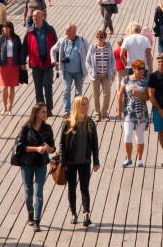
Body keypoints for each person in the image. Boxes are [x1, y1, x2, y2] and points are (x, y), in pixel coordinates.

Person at [59, 95, 100, 227]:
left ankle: (86, 213)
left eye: (87, 104)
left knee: (84, 188)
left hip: (85, 161)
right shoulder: (68, 123)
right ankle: (73, 213)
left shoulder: (90, 123)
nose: (85, 106)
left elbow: (94, 144)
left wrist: (96, 161)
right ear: (77, 106)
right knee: (72, 188)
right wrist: (63, 161)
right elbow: (61, 145)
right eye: (83, 104)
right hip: (70, 162)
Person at [17, 103, 56, 233]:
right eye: (43, 112)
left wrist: (49, 149)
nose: (46, 114)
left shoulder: (47, 128)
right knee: (28, 192)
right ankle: (30, 212)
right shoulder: (26, 128)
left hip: (41, 164)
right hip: (27, 163)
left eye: (46, 111)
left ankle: (36, 220)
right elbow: (20, 147)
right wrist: (36, 148)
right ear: (37, 113)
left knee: (39, 192)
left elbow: (53, 147)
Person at [115, 59, 150, 168]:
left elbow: (147, 98)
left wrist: (139, 94)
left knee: (139, 137)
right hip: (129, 111)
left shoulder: (146, 81)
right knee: (128, 135)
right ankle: (129, 158)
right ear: (134, 69)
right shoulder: (126, 79)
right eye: (139, 68)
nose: (142, 70)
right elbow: (120, 95)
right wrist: (119, 110)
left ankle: (139, 159)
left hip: (141, 112)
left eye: (143, 68)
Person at [24, 9, 58, 116]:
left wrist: (56, 61)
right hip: (36, 63)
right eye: (33, 16)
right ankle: (40, 108)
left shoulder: (50, 30)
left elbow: (56, 46)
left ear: (42, 17)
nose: (35, 18)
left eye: (37, 16)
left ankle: (49, 109)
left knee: (47, 85)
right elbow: (25, 47)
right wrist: (22, 62)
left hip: (48, 63)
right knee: (38, 86)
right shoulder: (29, 32)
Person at [52, 24, 90, 117]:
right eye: (66, 31)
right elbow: (53, 50)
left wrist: (90, 66)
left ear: (74, 32)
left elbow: (89, 53)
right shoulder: (62, 41)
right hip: (67, 71)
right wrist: (54, 61)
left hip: (79, 71)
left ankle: (77, 111)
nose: (66, 33)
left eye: (68, 31)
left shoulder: (82, 41)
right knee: (66, 91)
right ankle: (67, 111)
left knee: (78, 92)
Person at [0, 21, 26, 115]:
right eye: (4, 28)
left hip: (14, 64)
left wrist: (22, 63)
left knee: (12, 87)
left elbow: (20, 51)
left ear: (11, 29)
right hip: (4, 65)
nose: (6, 29)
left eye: (8, 28)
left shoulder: (16, 38)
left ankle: (10, 107)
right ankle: (4, 107)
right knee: (4, 87)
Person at [85, 30, 115, 122]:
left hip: (106, 75)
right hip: (95, 75)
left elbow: (112, 60)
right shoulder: (93, 47)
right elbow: (87, 61)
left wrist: (111, 70)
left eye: (101, 37)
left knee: (107, 94)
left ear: (105, 38)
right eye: (97, 36)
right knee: (96, 95)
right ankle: (97, 113)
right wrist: (90, 71)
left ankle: (105, 113)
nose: (99, 38)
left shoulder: (108, 47)